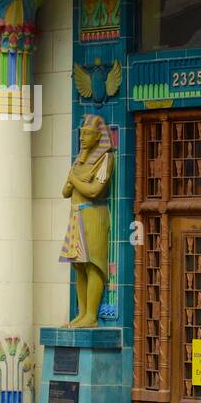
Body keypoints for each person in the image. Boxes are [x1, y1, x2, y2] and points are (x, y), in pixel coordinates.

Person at [59, 115, 113, 328]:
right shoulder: (78, 161)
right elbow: (65, 192)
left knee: (93, 265)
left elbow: (94, 190)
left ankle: (91, 315)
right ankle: (82, 314)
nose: (82, 138)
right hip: (75, 215)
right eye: (81, 134)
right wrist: (75, 180)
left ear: (99, 137)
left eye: (88, 134)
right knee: (78, 266)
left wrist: (74, 180)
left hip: (93, 215)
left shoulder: (106, 159)